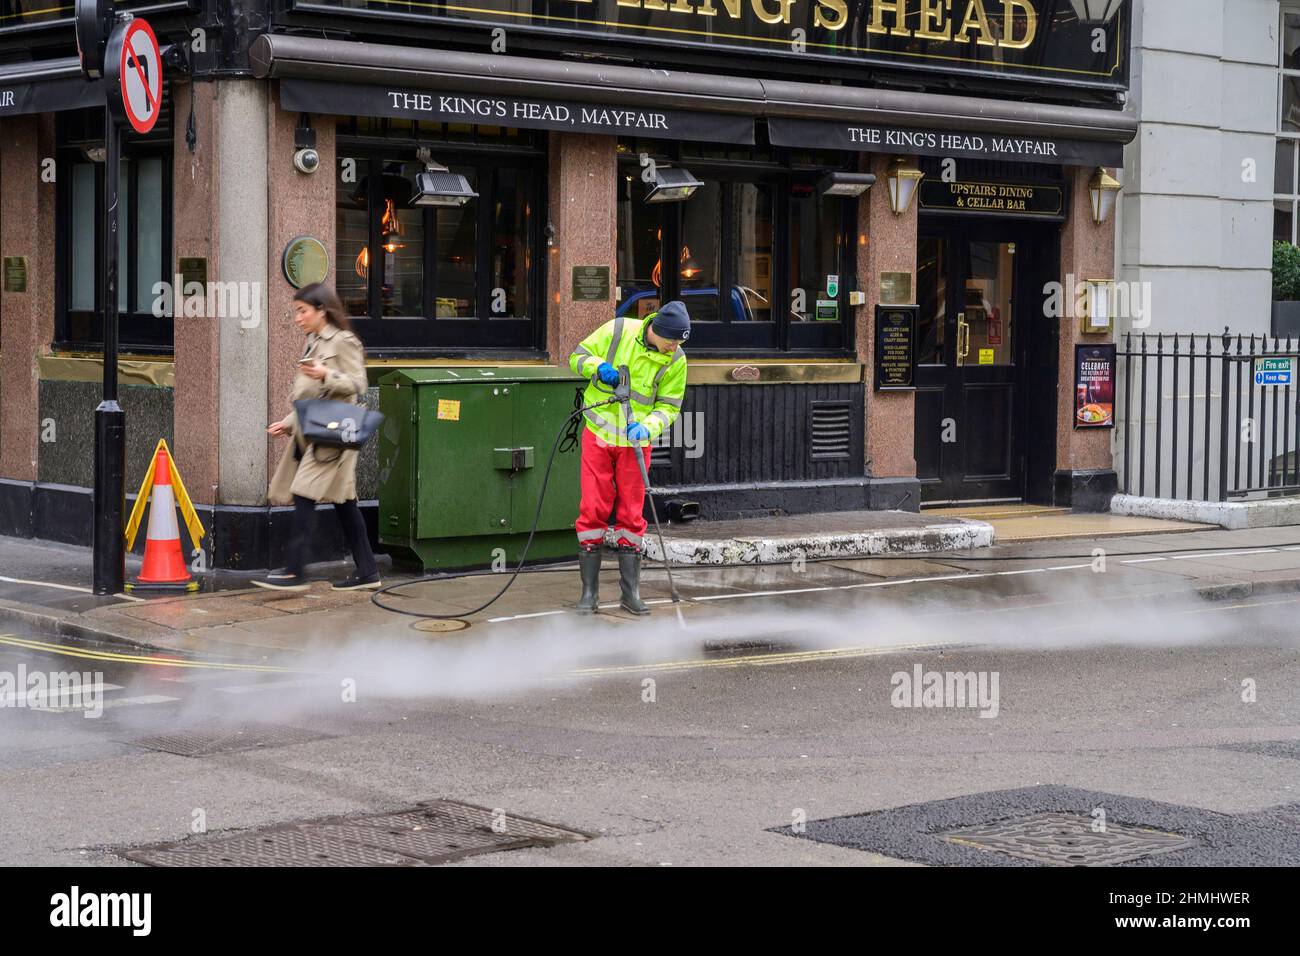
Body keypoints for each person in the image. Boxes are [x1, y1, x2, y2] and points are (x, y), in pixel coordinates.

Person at [254, 283, 380, 592]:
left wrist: (326, 374)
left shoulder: (344, 341)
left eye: (302, 311)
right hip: (315, 430)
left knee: (304, 494)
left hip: (333, 436)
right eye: (296, 311)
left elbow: (358, 384)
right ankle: (368, 571)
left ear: (321, 310)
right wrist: (287, 423)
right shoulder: (312, 341)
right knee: (344, 502)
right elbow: (309, 395)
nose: (297, 318)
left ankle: (294, 572)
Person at [567, 300, 689, 615]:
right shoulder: (618, 330)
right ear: (656, 330)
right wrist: (598, 368)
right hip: (599, 435)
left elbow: (670, 406)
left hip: (635, 443)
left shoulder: (675, 359)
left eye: (679, 342)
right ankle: (589, 594)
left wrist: (647, 426)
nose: (674, 347)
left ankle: (630, 593)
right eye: (671, 340)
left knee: (632, 514)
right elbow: (576, 357)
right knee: (593, 508)